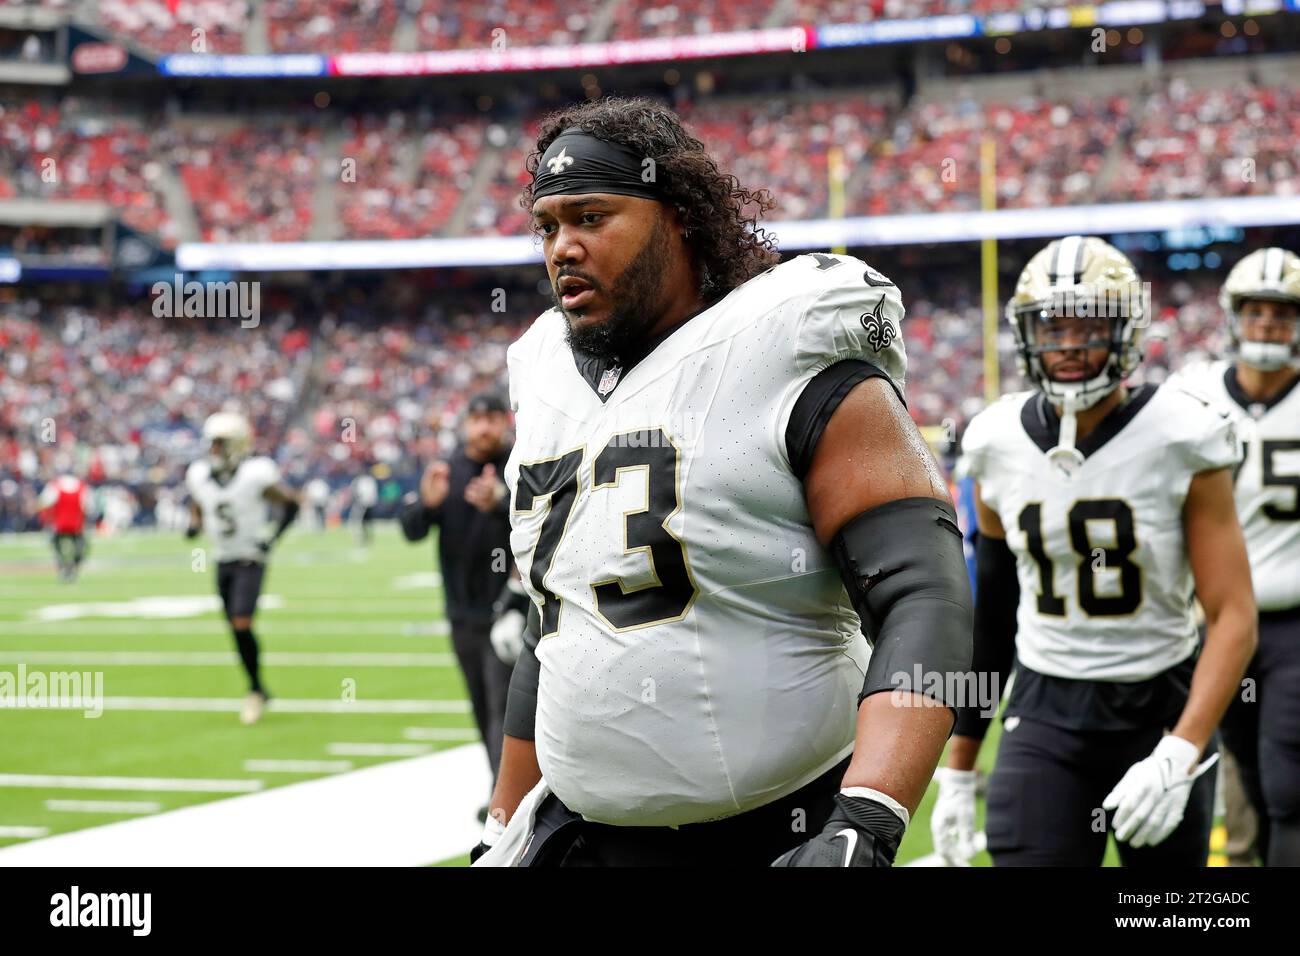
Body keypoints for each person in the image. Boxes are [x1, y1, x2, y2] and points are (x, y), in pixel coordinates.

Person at [474, 96, 972, 867]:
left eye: (591, 217)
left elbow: (922, 591)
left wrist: (869, 816)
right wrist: (499, 824)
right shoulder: (542, 372)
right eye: (548, 226)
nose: (562, 247)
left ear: (678, 216)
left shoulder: (786, 336)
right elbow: (557, 631)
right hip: (583, 839)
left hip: (776, 831)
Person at [930, 236, 1257, 867]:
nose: (1071, 344)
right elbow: (994, 615)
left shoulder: (1183, 433)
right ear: (1027, 334)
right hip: (1046, 709)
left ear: (1126, 330)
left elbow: (1234, 614)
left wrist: (1180, 751)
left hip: (1162, 704)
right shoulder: (996, 440)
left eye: (1091, 324)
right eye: (1053, 326)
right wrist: (961, 767)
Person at [1173, 247, 1300, 866]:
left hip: (1291, 620)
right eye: (1257, 311)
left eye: (1282, 313)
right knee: (1237, 768)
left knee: (1286, 780)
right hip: (1213, 621)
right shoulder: (1192, 395)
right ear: (1234, 317)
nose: (1269, 325)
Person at [399, 392, 516, 802]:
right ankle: (500, 788)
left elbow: (548, 519)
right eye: (477, 418)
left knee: (505, 710)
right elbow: (410, 529)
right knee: (481, 706)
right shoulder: (445, 470)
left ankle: (506, 799)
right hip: (462, 613)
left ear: (505, 422)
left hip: (511, 612)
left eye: (492, 418)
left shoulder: (521, 464)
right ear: (466, 423)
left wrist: (502, 502)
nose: (484, 427)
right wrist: (427, 508)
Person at [185, 412, 300, 725]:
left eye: (219, 443)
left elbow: (291, 504)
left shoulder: (255, 473)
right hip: (222, 558)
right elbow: (197, 502)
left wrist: (271, 540)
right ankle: (259, 687)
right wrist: (194, 524)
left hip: (250, 558)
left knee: (240, 621)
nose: (214, 449)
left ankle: (253, 690)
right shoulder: (199, 474)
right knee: (235, 629)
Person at [38, 472, 92, 583]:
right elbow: (88, 507)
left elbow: (44, 503)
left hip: (61, 524)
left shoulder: (55, 486)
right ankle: (69, 569)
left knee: (59, 549)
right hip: (74, 525)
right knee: (79, 549)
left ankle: (66, 568)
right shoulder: (82, 487)